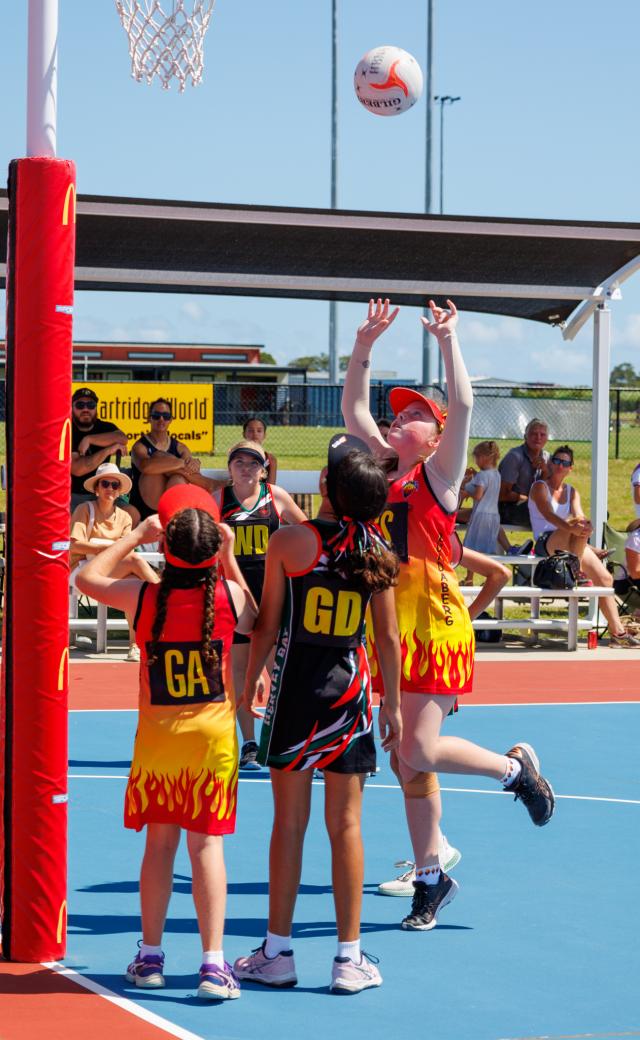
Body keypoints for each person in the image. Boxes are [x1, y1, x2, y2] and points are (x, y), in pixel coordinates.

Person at [342, 297, 555, 931]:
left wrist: (449, 341)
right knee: (408, 763)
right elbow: (354, 408)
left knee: (419, 746)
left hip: (432, 619)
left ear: (434, 437)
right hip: (387, 622)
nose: (398, 417)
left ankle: (515, 769)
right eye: (399, 411)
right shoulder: (380, 471)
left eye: (414, 414)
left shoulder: (440, 475)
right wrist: (362, 345)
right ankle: (431, 878)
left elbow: (461, 405)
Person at [234, 435, 402, 992]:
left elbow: (268, 624)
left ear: (326, 487)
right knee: (347, 826)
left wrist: (248, 680)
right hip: (349, 697)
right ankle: (348, 959)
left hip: (295, 696)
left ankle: (278, 953)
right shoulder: (378, 551)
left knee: (289, 823)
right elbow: (387, 638)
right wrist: (393, 704)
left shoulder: (289, 542)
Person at [76, 485, 257, 1001]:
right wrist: (229, 555)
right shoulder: (229, 597)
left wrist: (137, 533)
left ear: (167, 548)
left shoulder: (145, 598)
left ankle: (151, 955)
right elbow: (257, 618)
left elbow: (85, 576)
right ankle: (213, 964)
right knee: (207, 846)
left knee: (159, 846)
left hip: (159, 741)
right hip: (212, 739)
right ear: (212, 549)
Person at [378, 535, 510, 896]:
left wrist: (462, 619)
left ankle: (432, 857)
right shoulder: (393, 540)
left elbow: (499, 573)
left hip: (431, 652)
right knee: (399, 756)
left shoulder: (435, 542)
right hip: (403, 653)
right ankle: (435, 848)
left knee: (414, 753)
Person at [215, 440, 307, 769]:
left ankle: (286, 735)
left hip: (273, 591)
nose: (245, 468)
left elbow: (306, 530)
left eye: (252, 462)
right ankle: (250, 743)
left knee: (278, 667)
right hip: (236, 594)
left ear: (263, 468)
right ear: (229, 468)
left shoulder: (275, 496)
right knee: (240, 668)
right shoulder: (219, 501)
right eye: (238, 462)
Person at [529, 445, 640, 648]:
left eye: (565, 463)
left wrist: (586, 537)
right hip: (547, 541)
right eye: (557, 461)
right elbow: (548, 515)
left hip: (571, 545)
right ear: (551, 463)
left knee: (605, 578)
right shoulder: (539, 487)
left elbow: (579, 518)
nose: (560, 465)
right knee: (578, 524)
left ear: (571, 468)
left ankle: (618, 634)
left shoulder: (571, 492)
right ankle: (577, 570)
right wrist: (574, 527)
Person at [70, 463, 160, 661]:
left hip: (111, 570)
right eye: (105, 484)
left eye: (115, 485)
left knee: (135, 587)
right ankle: (165, 597)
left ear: (120, 491)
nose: (110, 488)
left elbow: (124, 551)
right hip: (81, 572)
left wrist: (106, 550)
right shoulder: (84, 509)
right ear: (96, 488)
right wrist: (107, 549)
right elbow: (75, 545)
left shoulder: (125, 517)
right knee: (136, 560)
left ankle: (135, 645)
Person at [129, 398, 222, 520]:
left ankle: (174, 520)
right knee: (158, 456)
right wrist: (181, 463)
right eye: (156, 415)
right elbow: (146, 467)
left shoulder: (181, 447)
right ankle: (209, 484)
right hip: (144, 507)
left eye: (166, 416)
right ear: (149, 418)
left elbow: (193, 474)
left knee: (178, 478)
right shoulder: (139, 446)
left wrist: (186, 465)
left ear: (171, 420)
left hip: (172, 509)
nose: (161, 419)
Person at [458, 441, 513, 582]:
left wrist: (466, 493)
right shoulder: (496, 474)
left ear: (484, 458)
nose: (475, 461)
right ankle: (488, 576)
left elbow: (478, 495)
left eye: (476, 457)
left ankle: (469, 578)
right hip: (493, 514)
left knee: (472, 547)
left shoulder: (483, 475)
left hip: (480, 515)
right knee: (487, 547)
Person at [70, 387, 129, 513]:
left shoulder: (105, 427)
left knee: (132, 513)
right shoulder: (68, 430)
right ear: (72, 408)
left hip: (105, 494)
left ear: (96, 408)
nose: (85, 409)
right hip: (75, 495)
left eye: (90, 405)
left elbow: (122, 438)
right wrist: (108, 450)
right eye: (80, 405)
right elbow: (77, 469)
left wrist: (89, 439)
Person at [498, 418, 550, 529]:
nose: (538, 438)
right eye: (533, 434)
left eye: (542, 435)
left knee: (561, 511)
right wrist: (527, 499)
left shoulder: (547, 457)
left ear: (547, 439)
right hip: (508, 509)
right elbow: (502, 494)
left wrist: (545, 471)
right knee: (550, 516)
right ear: (525, 437)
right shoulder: (515, 457)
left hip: (532, 508)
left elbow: (548, 492)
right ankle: (546, 544)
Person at [243, 416, 278, 481]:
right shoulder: (237, 456)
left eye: (259, 431)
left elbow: (271, 486)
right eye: (250, 431)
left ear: (264, 435)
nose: (255, 434)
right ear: (244, 434)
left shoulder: (270, 459)